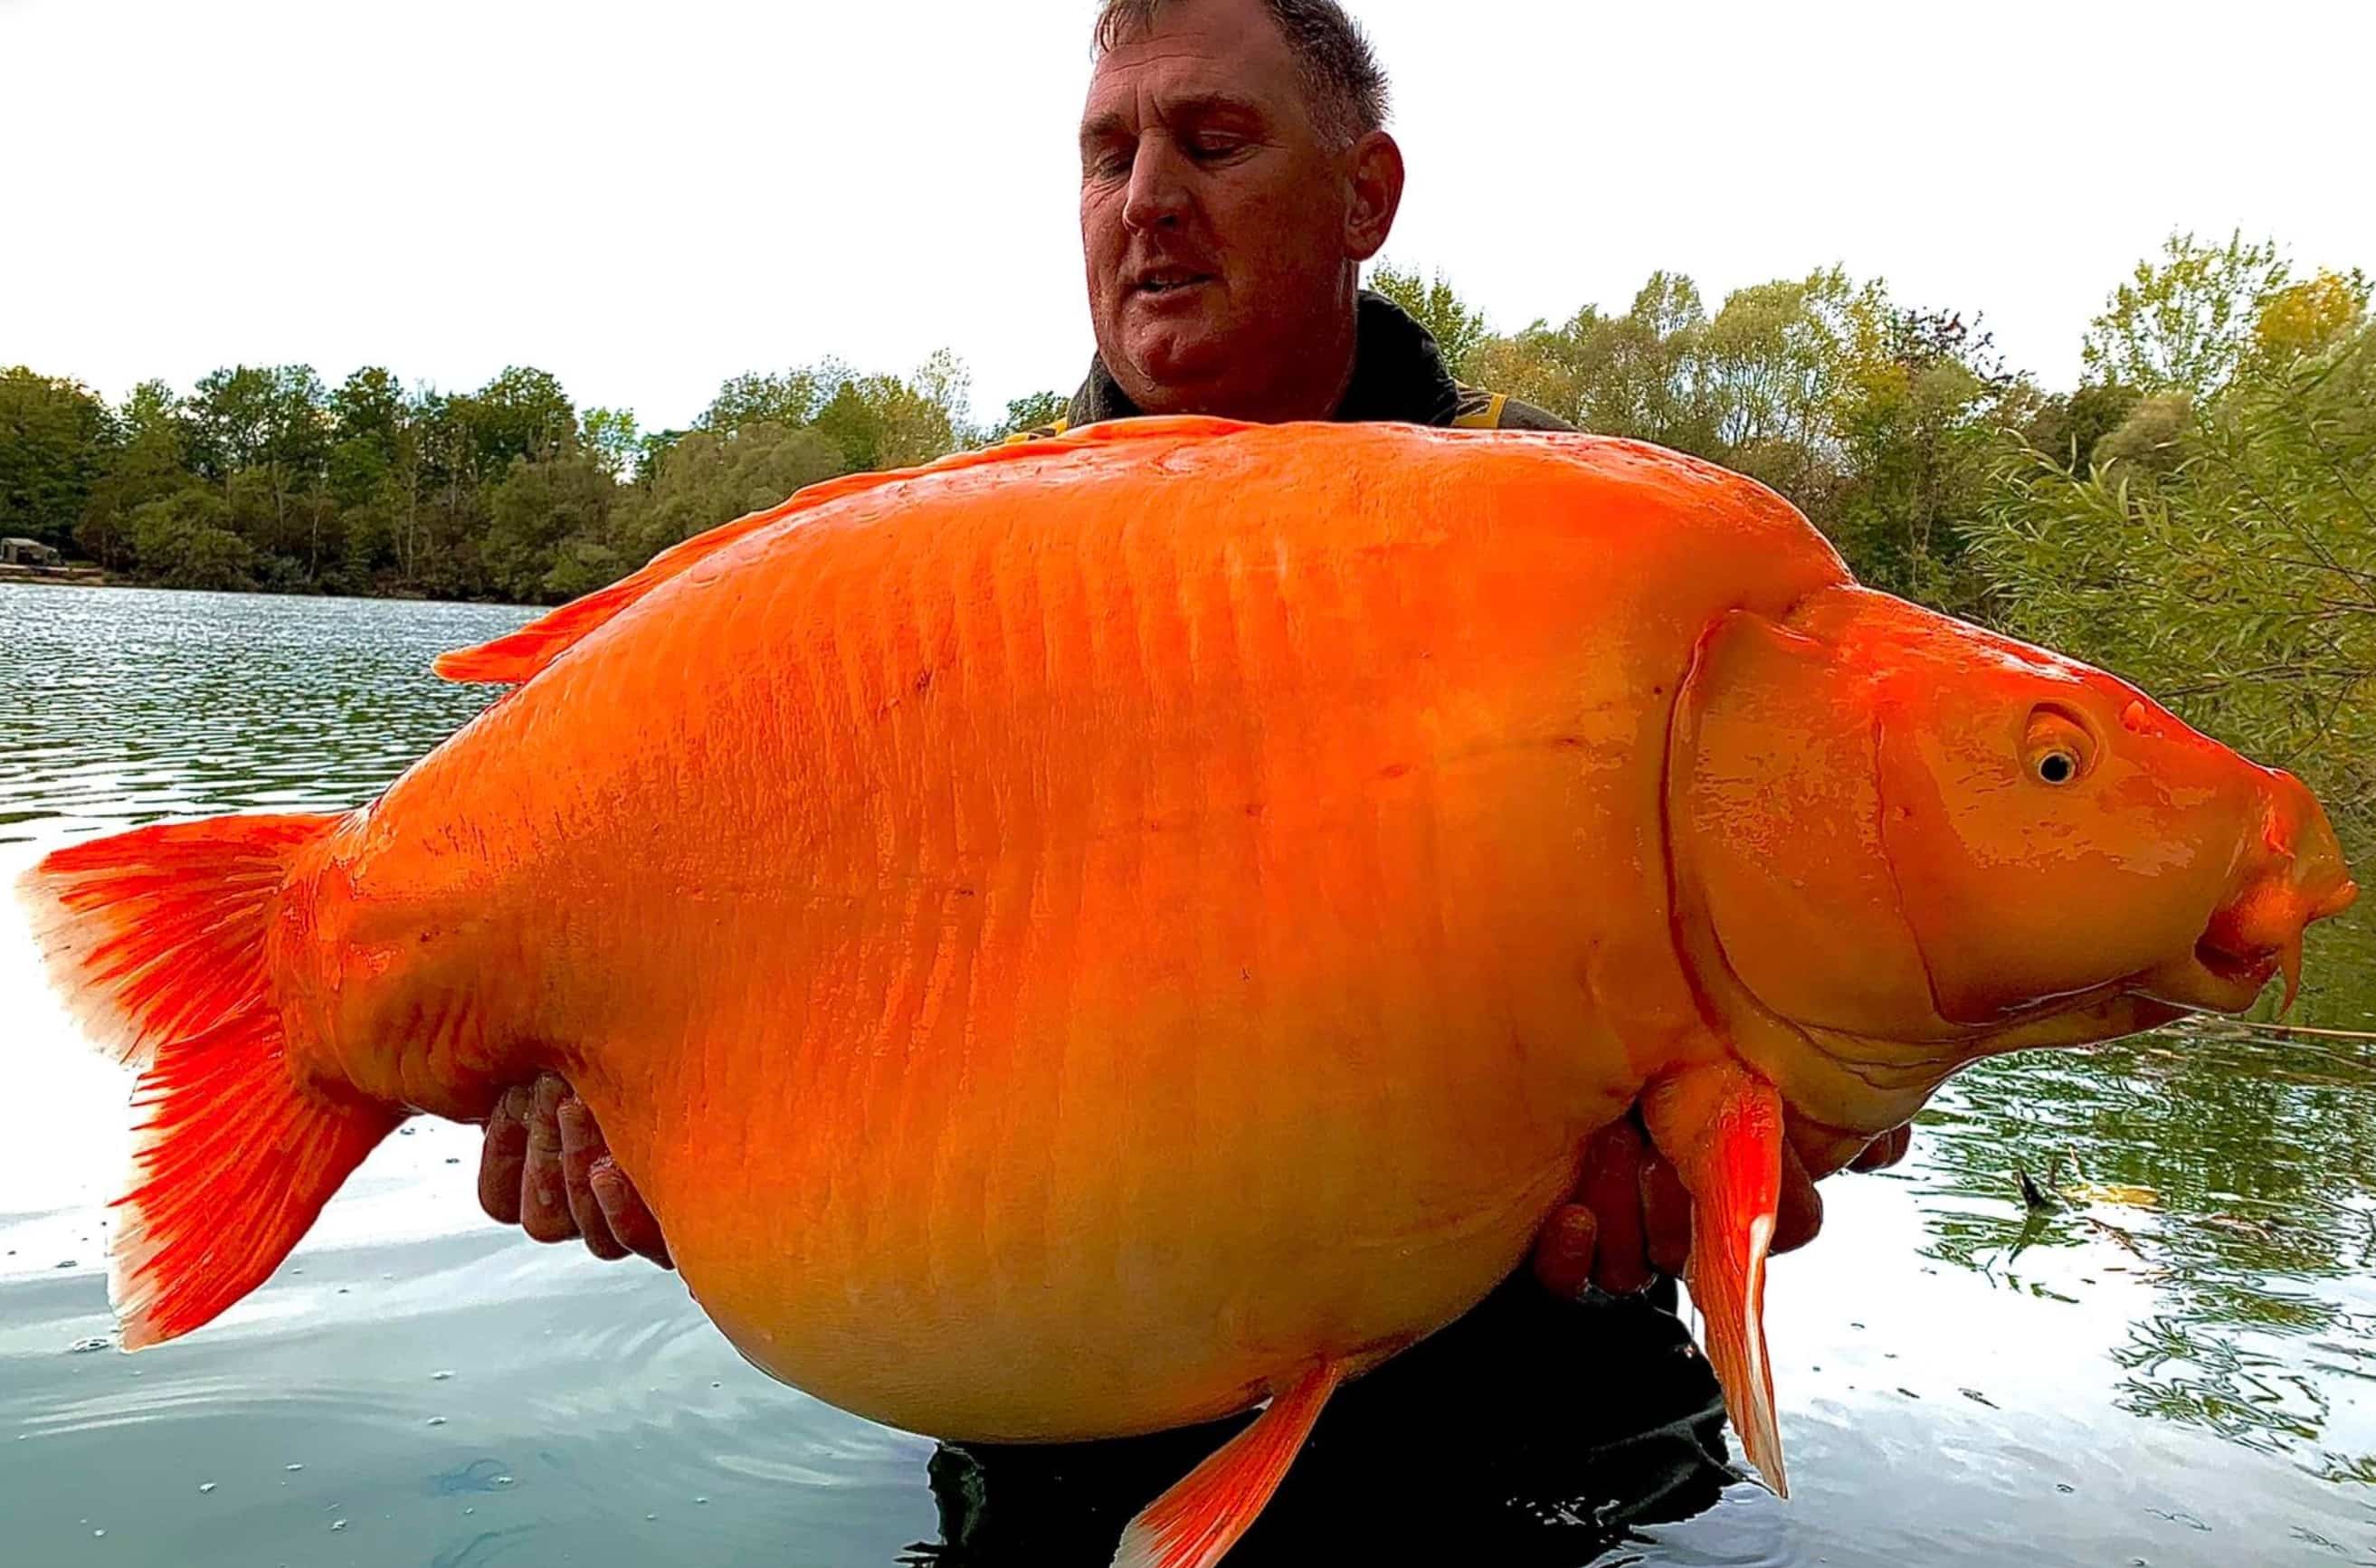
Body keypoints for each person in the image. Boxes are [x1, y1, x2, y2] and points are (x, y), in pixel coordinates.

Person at [475, 0, 1906, 1295]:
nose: (1149, 199)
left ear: (1365, 195)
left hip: (1538, 1395)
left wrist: (1809, 1107)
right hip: (1056, 1369)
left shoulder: (1607, 548)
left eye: (1214, 143)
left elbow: (1863, 975)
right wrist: (611, 1093)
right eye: (1108, 159)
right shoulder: (939, 578)